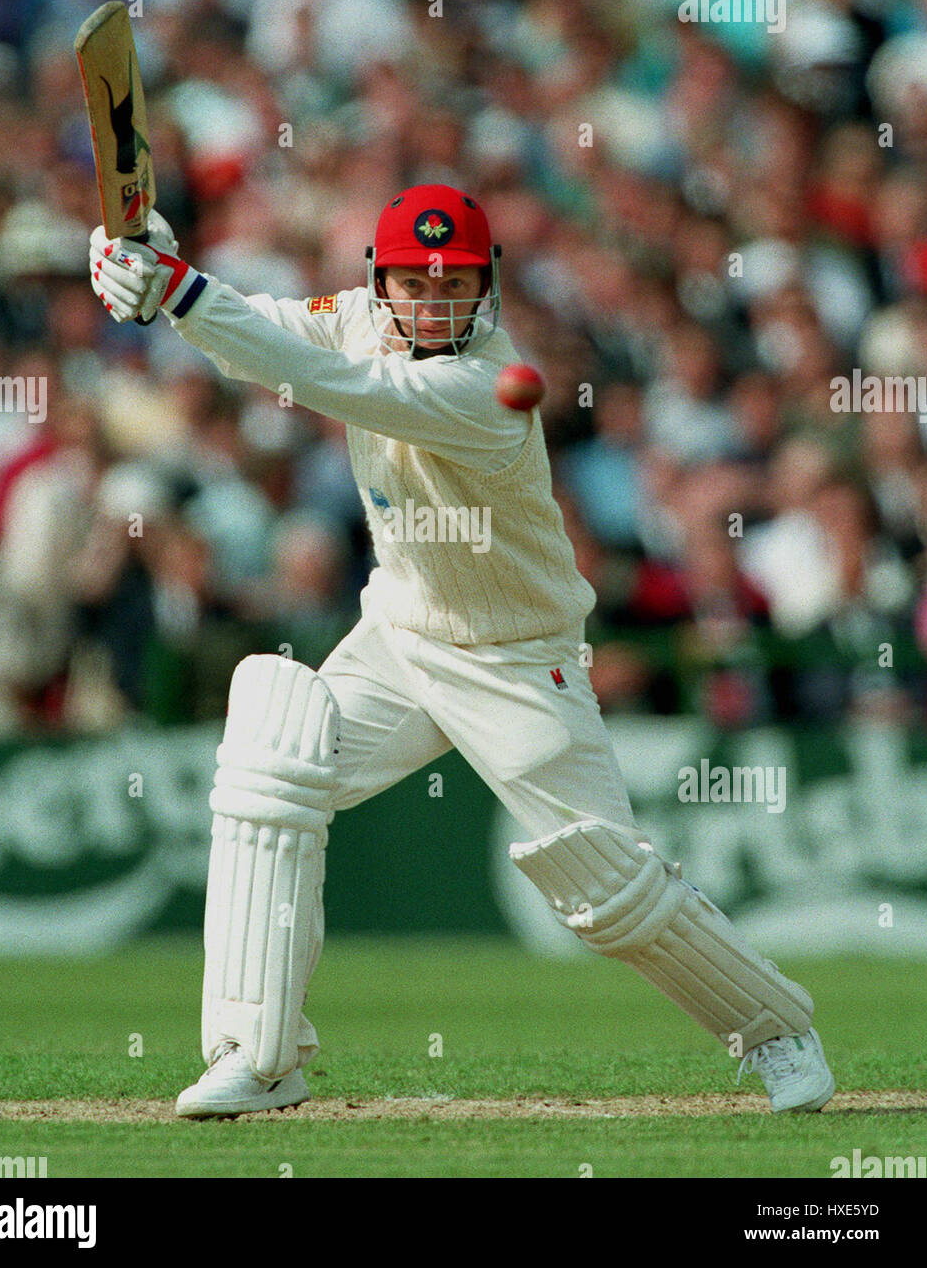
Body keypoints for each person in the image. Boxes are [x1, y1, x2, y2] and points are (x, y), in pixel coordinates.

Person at [88, 184, 835, 1118]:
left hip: (518, 659)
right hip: (400, 633)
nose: (433, 303)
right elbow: (277, 323)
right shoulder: (357, 316)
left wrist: (179, 293)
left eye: (455, 286)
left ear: (486, 291)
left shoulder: (486, 386)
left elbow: (324, 381)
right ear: (380, 282)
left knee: (608, 889)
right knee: (272, 763)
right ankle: (261, 1055)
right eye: (414, 283)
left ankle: (777, 1029)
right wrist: (153, 262)